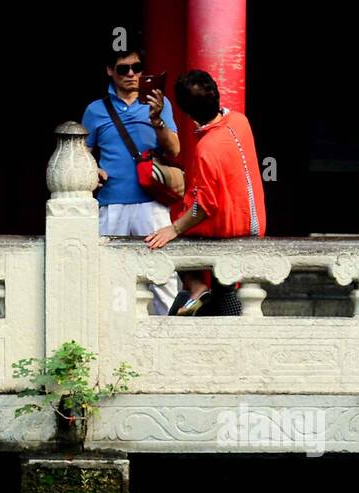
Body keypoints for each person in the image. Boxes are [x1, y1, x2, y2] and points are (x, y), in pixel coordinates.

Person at [145, 70, 267, 316]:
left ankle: (196, 286)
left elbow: (205, 206)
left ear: (184, 111)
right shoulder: (240, 121)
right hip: (254, 223)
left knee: (175, 223)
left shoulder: (206, 149)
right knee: (224, 289)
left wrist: (174, 229)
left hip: (229, 230)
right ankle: (203, 296)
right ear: (217, 94)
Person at [81, 44, 181, 314]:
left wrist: (157, 119)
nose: (131, 74)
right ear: (110, 71)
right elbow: (82, 153)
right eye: (123, 69)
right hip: (112, 202)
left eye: (137, 68)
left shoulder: (159, 104)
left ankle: (170, 338)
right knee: (109, 276)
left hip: (153, 202)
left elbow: (174, 150)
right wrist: (93, 170)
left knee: (162, 276)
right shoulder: (95, 110)